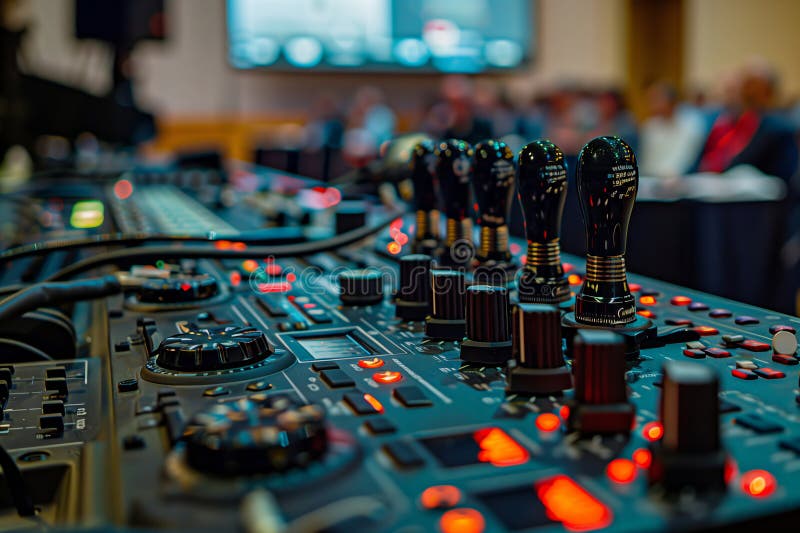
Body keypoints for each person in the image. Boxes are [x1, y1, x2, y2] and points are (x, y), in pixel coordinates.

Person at [696, 58, 798, 180]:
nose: (746, 92)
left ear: (768, 91)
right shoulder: (733, 120)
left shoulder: (779, 127)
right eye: (744, 85)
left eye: (751, 85)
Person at [638, 82, 707, 177]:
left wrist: (667, 175)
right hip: (652, 177)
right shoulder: (650, 125)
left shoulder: (692, 122)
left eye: (656, 99)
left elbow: (686, 157)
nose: (651, 104)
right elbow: (647, 160)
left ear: (671, 101)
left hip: (681, 178)